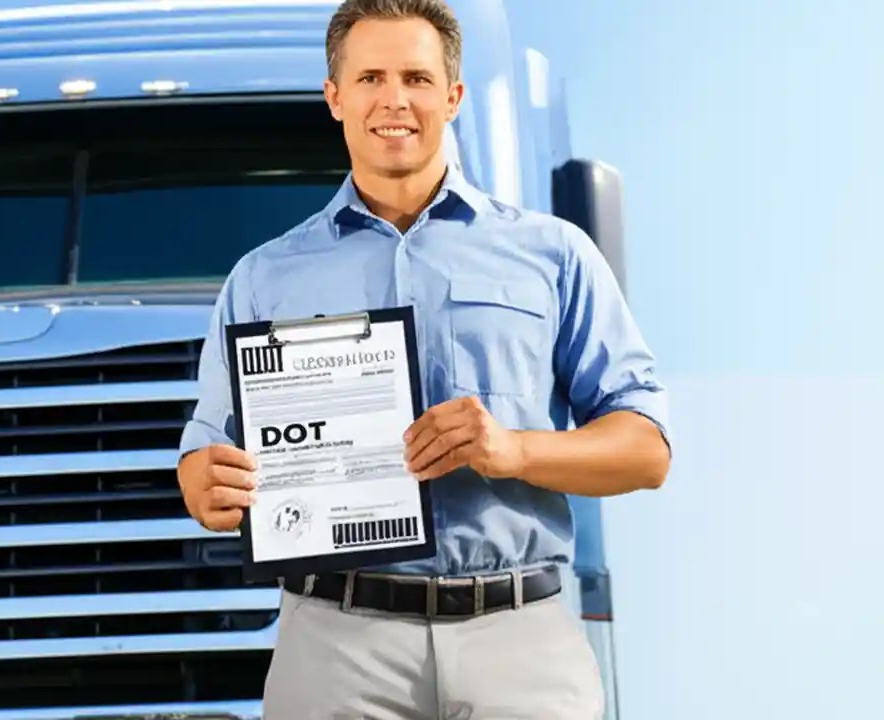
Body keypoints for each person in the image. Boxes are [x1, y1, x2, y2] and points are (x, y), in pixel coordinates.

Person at [176, 0, 673, 717]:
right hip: (335, 647)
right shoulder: (262, 278)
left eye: (416, 77)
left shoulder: (554, 254)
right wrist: (202, 482)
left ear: (454, 96)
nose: (394, 100)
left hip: (520, 642)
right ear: (334, 96)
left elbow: (646, 451)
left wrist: (514, 450)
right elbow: (207, 450)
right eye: (370, 78)